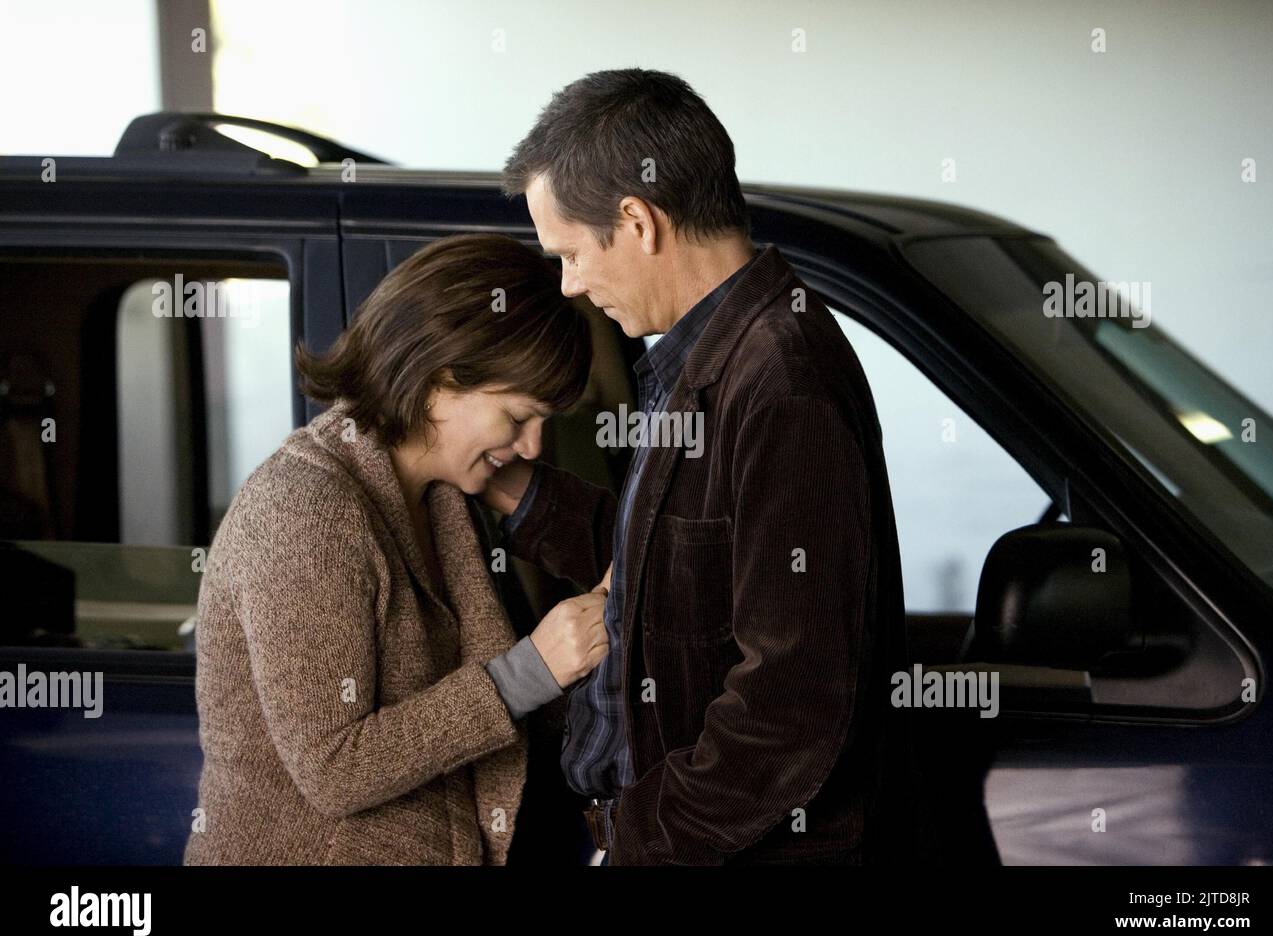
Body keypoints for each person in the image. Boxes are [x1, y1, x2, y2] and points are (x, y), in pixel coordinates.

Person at [482, 68, 920, 865]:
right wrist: (516, 489)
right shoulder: (703, 358)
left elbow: (789, 705)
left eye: (572, 254)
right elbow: (669, 570)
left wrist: (639, 847)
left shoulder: (781, 381)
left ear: (638, 220)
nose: (571, 284)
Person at [183, 233, 608, 865]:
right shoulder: (305, 510)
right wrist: (532, 670)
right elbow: (334, 768)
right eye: (518, 416)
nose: (532, 445)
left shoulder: (443, 498)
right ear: (441, 376)